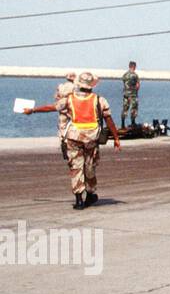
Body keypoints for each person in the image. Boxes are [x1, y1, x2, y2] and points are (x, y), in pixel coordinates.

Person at [25, 71, 120, 209]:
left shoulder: (69, 99)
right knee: (89, 167)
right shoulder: (99, 100)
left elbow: (52, 107)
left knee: (76, 167)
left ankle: (78, 199)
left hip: (73, 137)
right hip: (91, 139)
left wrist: (33, 110)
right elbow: (109, 120)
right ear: (91, 85)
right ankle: (90, 194)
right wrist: (116, 138)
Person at [121, 61, 141, 127]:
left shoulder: (124, 75)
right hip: (133, 94)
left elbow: (124, 83)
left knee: (125, 108)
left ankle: (123, 124)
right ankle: (133, 122)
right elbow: (138, 85)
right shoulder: (135, 75)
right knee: (134, 108)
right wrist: (135, 91)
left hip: (125, 94)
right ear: (134, 66)